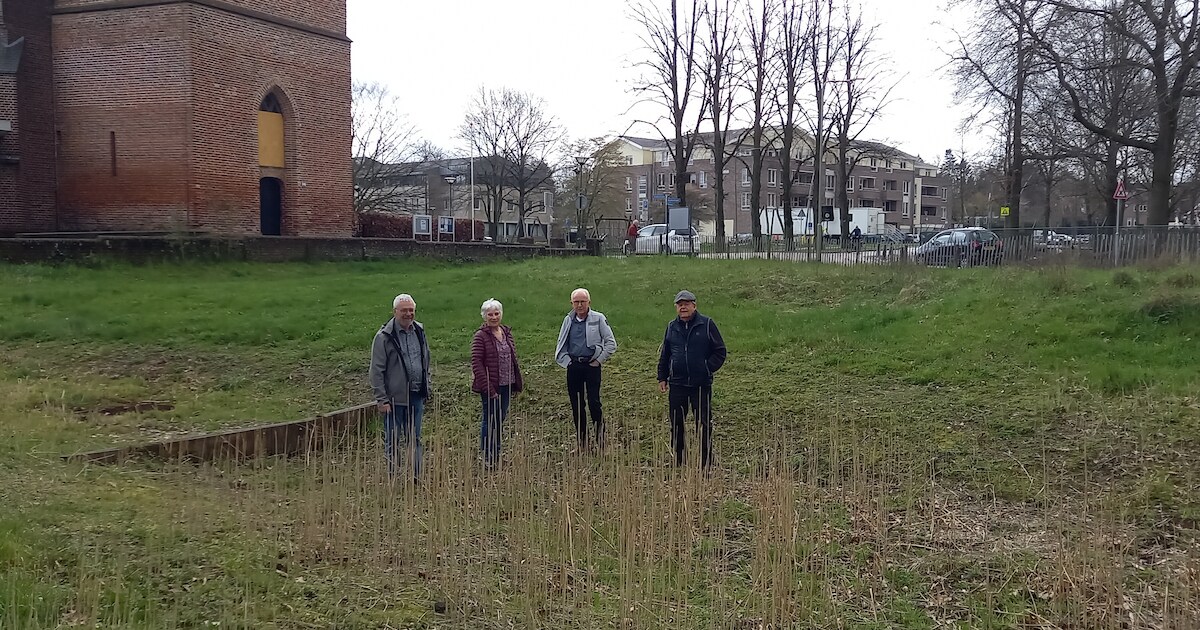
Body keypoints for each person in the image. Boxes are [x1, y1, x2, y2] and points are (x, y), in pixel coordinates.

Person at [656, 290, 726, 470]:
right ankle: (679, 460)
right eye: (680, 304)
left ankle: (706, 462)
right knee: (676, 423)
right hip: (677, 384)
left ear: (694, 306)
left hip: (700, 385)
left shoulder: (707, 324)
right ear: (676, 308)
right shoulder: (672, 326)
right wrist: (662, 376)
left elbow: (720, 351)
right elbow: (666, 354)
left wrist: (706, 368)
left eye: (687, 303)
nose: (683, 307)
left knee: (703, 423)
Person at [369, 294, 431, 482]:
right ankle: (394, 479)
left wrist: (427, 383)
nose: (408, 314)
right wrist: (382, 399)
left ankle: (416, 478)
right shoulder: (384, 337)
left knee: (415, 438)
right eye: (404, 310)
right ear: (395, 311)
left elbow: (426, 359)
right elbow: (376, 371)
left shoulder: (419, 331)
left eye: (411, 310)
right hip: (394, 399)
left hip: (416, 395)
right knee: (393, 441)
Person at [554, 288, 618, 451]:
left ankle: (601, 442)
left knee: (594, 404)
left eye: (583, 301)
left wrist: (599, 360)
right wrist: (567, 362)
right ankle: (583, 444)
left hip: (592, 367)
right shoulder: (568, 320)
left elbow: (611, 343)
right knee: (577, 405)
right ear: (571, 303)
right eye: (576, 302)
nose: (580, 305)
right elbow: (562, 342)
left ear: (589, 302)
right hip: (574, 366)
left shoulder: (598, 318)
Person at [471, 298, 523, 468]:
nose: (493, 317)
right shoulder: (480, 336)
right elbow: (476, 363)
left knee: (500, 420)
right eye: (490, 314)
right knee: (490, 420)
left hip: (507, 383)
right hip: (491, 386)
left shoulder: (506, 333)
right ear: (484, 316)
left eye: (496, 313)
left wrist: (516, 382)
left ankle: (496, 454)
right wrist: (488, 388)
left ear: (501, 314)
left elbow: (513, 358)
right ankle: (488, 457)